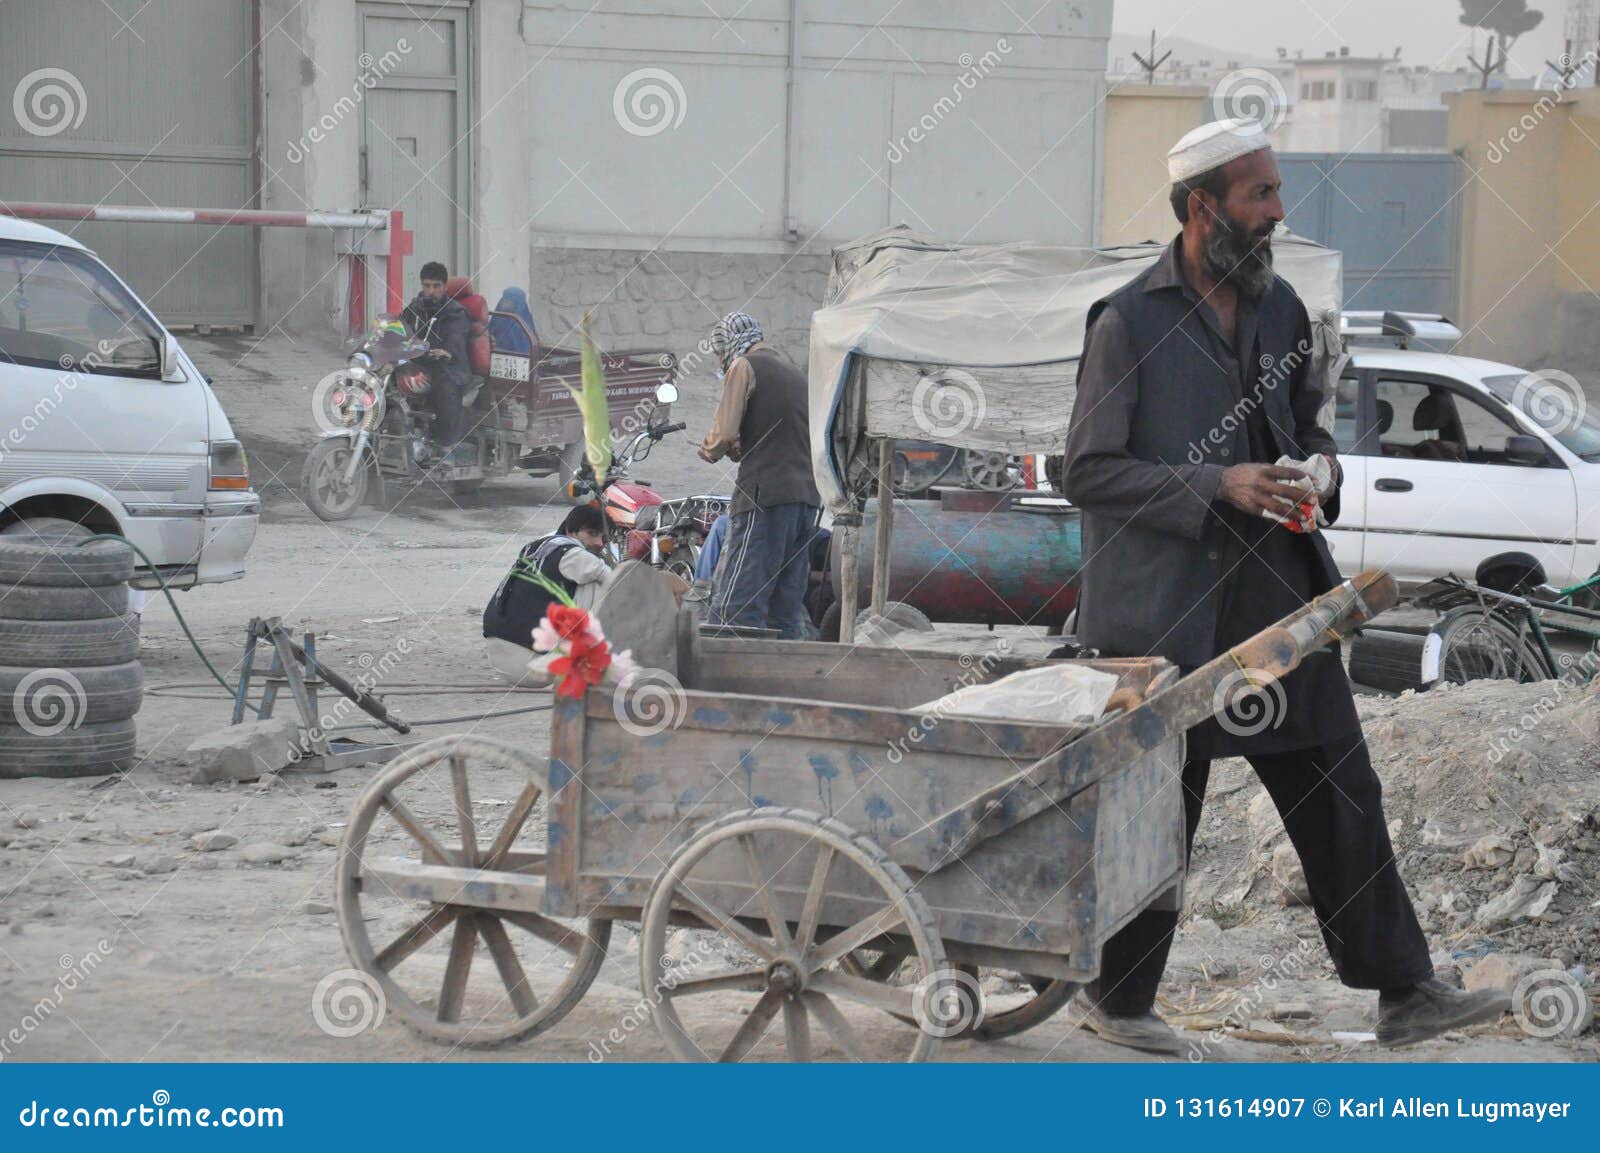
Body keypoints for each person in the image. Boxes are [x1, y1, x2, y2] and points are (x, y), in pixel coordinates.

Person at [1060, 118, 1508, 1053]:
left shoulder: (1283, 312)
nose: (1275, 213)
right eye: (1258, 196)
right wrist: (1212, 483)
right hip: (1163, 617)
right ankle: (1116, 998)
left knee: (1340, 782)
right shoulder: (1126, 322)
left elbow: (1308, 431)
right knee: (1158, 811)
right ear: (1200, 208)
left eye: (1275, 193)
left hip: (1275, 599)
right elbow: (1088, 471)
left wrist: (1323, 475)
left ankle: (1405, 991)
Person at [697, 312, 821, 638]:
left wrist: (709, 449)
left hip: (764, 495)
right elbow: (783, 434)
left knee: (738, 603)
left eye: (719, 353)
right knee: (785, 610)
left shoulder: (744, 366)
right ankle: (787, 677)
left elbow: (722, 435)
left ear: (728, 345)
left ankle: (730, 675)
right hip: (806, 500)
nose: (720, 361)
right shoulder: (796, 375)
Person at [481, 506, 611, 684]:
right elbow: (616, 581)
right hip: (531, 669)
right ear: (570, 531)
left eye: (603, 537)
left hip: (500, 658)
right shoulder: (573, 554)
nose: (599, 543)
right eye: (592, 533)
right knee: (597, 583)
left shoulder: (538, 545)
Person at [401, 261, 472, 465]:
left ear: (444, 287)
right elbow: (400, 326)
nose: (430, 291)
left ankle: (447, 447)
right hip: (419, 360)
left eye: (436, 286)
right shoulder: (416, 307)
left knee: (445, 384)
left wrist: (445, 351)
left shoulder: (455, 313)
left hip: (449, 366)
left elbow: (455, 342)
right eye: (427, 285)